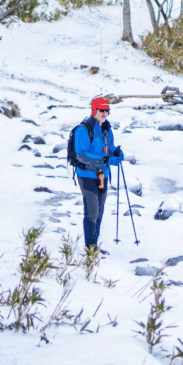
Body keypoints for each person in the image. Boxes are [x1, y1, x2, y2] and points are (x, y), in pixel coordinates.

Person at [75, 97, 124, 253]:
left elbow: (109, 147)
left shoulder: (106, 128)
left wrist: (115, 152)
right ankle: (90, 248)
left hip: (103, 174)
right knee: (92, 211)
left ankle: (93, 245)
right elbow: (82, 155)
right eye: (101, 110)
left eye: (106, 110)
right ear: (94, 110)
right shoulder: (83, 130)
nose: (104, 113)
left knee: (100, 211)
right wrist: (105, 159)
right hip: (87, 175)